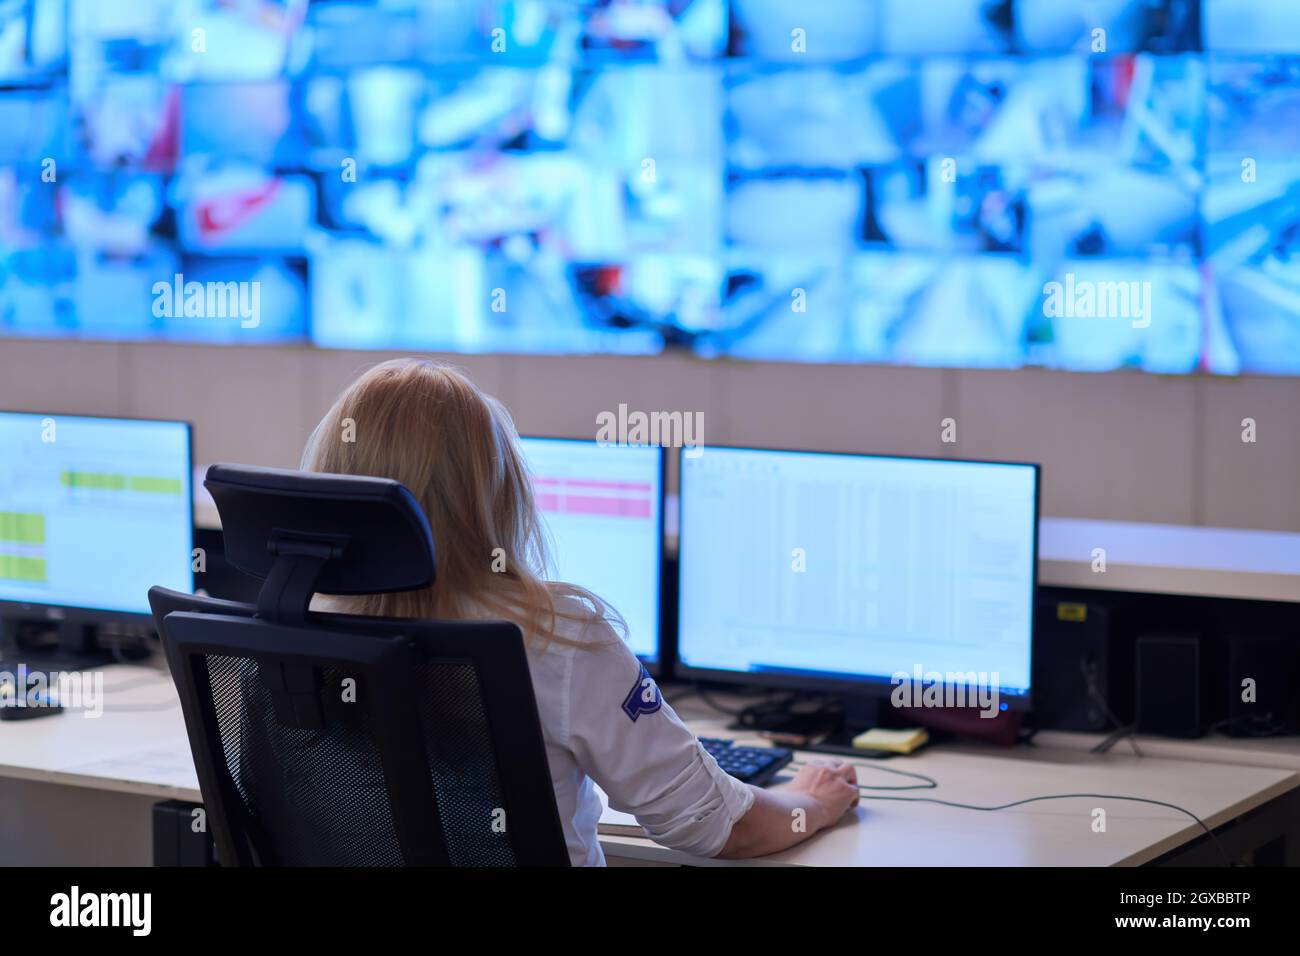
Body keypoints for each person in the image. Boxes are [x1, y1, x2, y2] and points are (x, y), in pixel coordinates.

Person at [301, 358, 859, 865]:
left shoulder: (288, 630)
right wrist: (810, 802)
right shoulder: (553, 635)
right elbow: (714, 824)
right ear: (494, 489)